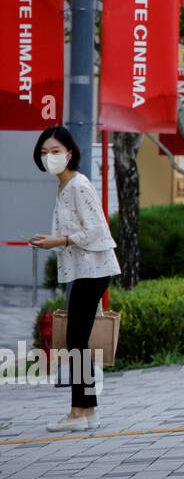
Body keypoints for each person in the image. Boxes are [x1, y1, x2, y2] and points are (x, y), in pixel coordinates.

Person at [31, 125, 121, 432]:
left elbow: (97, 229)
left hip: (93, 269)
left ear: (70, 153)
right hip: (86, 270)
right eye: (44, 152)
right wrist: (54, 239)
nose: (50, 157)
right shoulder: (65, 186)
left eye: (55, 151)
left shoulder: (78, 185)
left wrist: (57, 242)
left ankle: (78, 413)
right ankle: (86, 412)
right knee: (77, 339)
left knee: (76, 340)